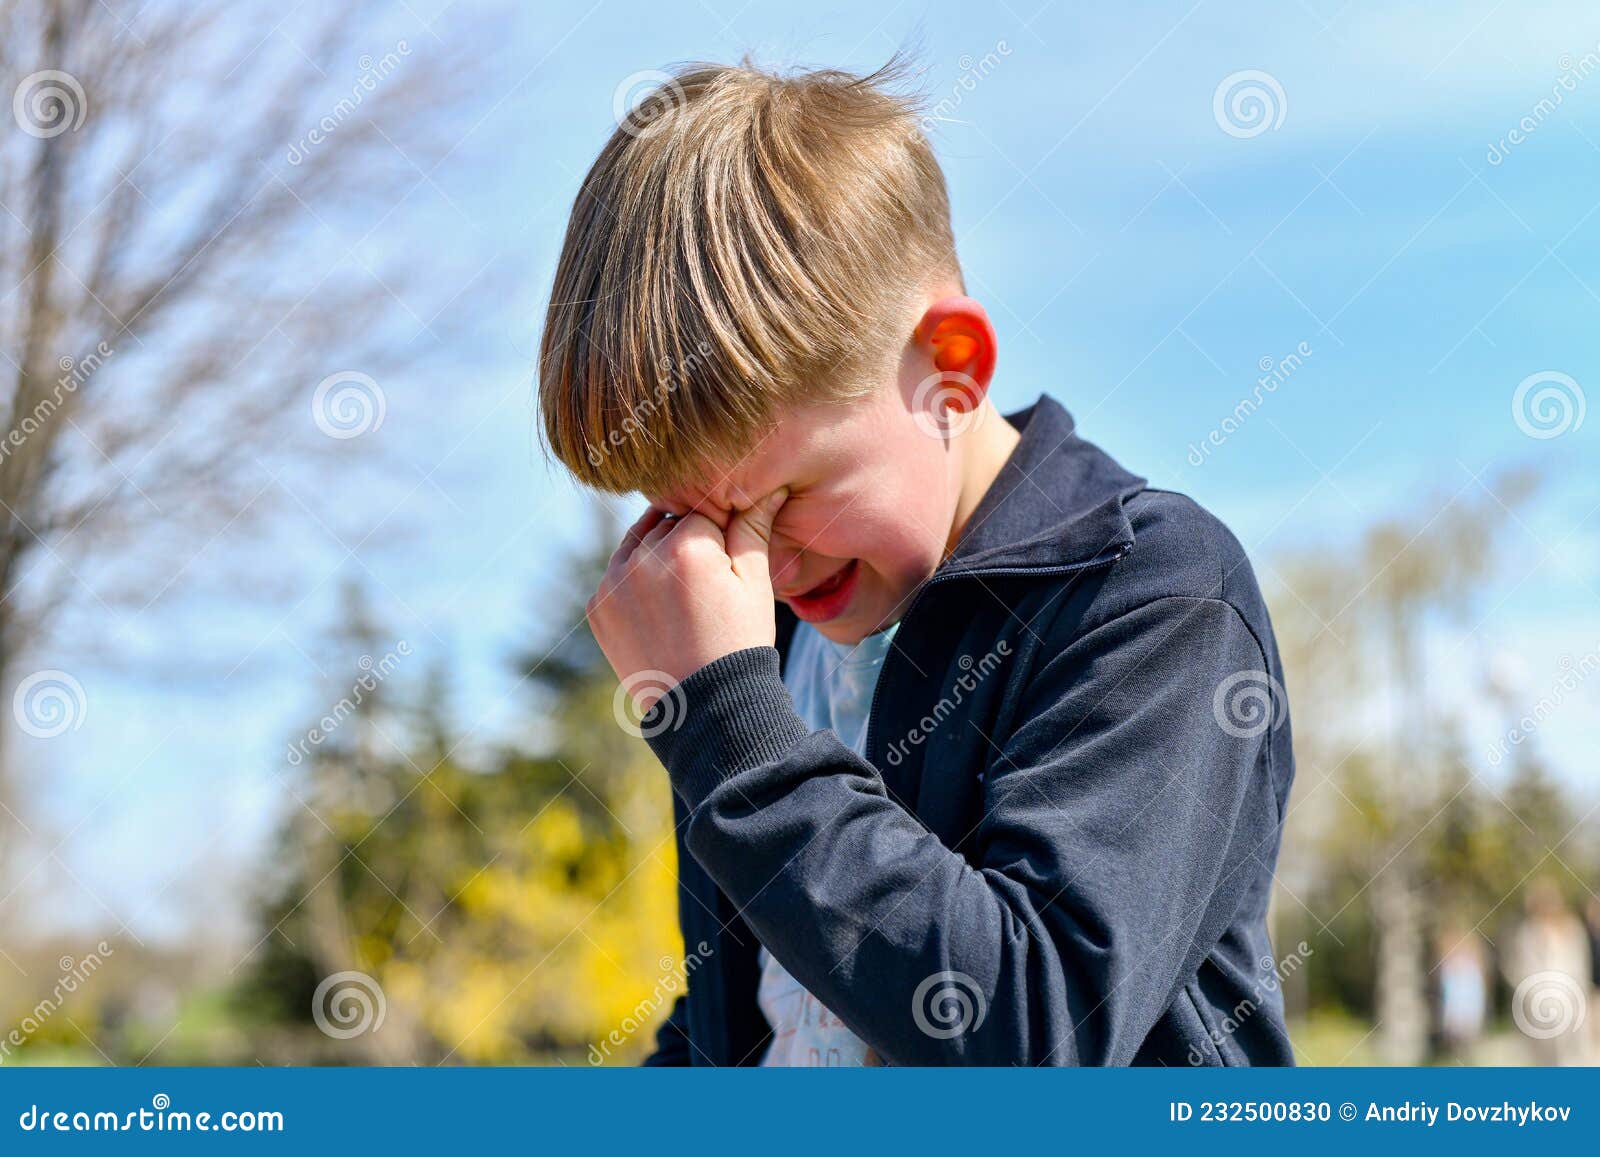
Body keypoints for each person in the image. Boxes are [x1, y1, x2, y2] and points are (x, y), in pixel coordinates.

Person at [538, 60, 1296, 1066]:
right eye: (691, 520)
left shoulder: (1150, 593)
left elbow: (1035, 1027)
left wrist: (730, 728)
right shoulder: (758, 644)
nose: (755, 564)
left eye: (781, 498)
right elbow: (743, 1021)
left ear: (950, 366)